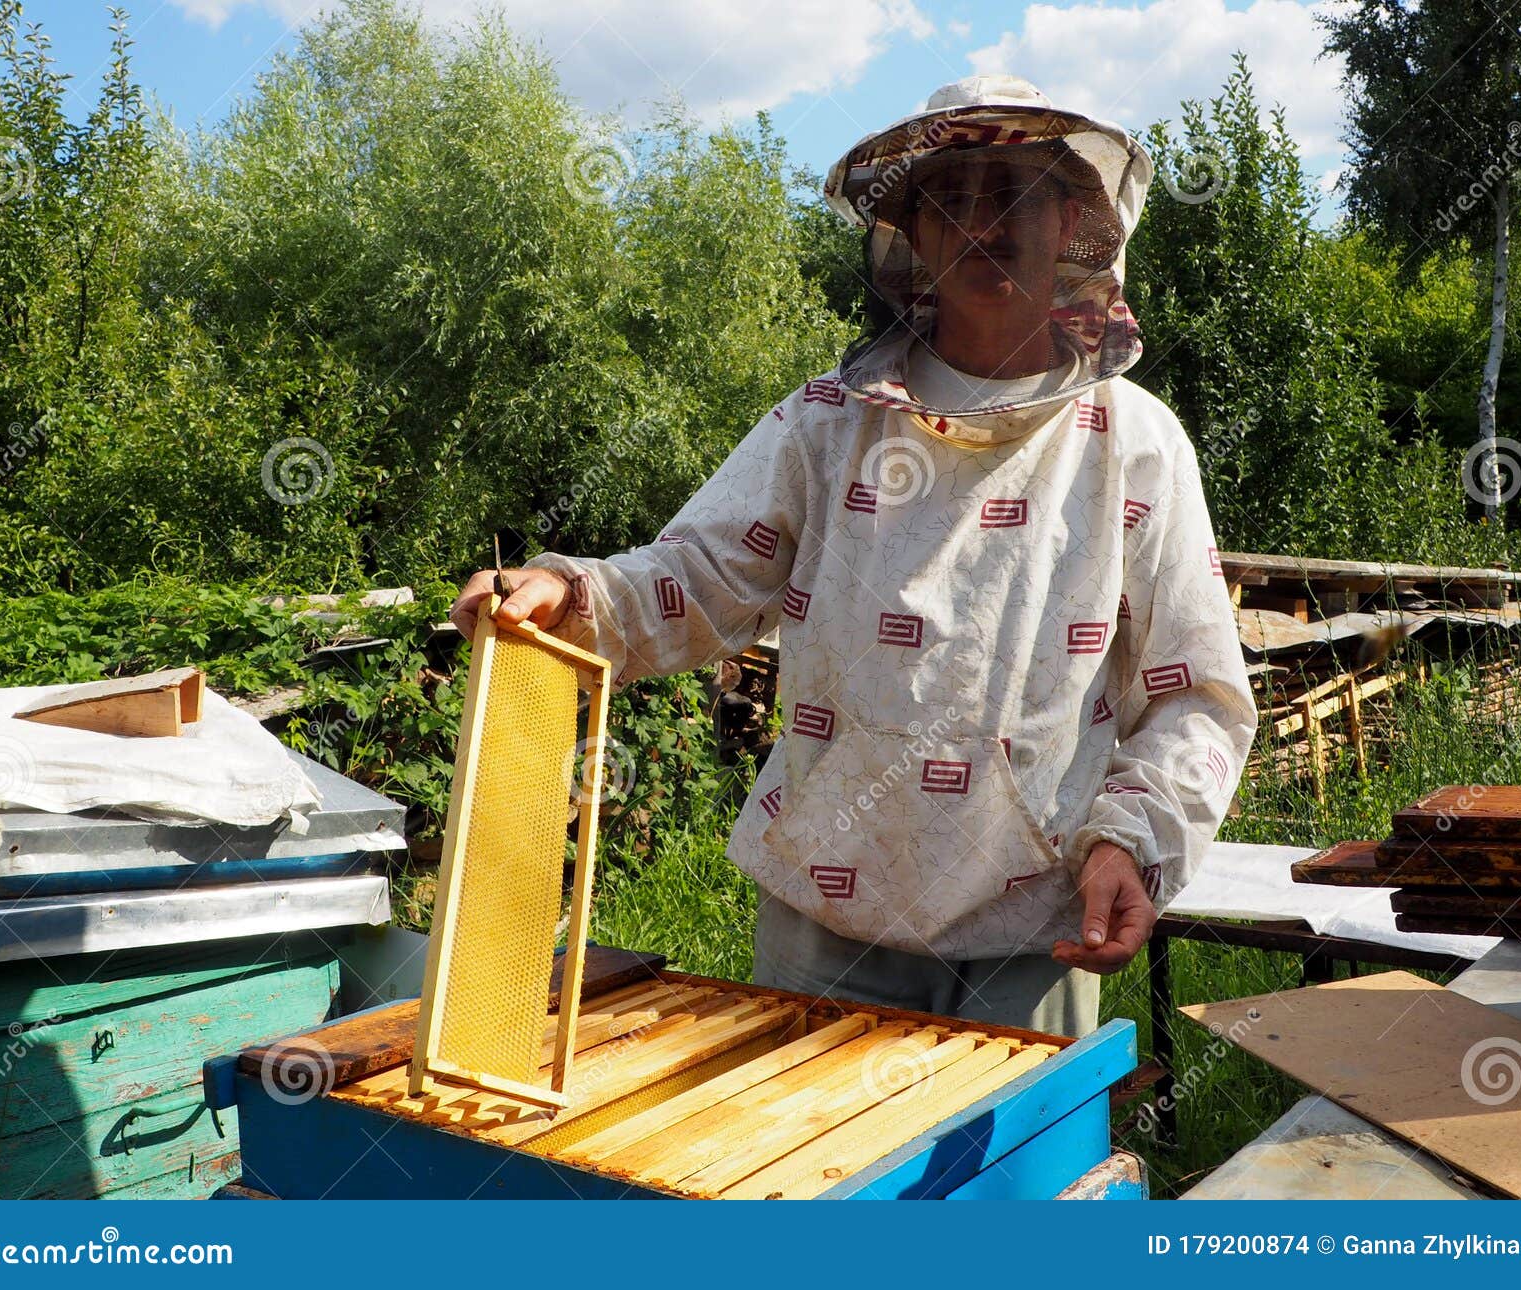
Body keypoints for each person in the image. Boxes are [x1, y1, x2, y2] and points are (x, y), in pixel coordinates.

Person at [452, 75, 1259, 1037]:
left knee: (1015, 1143)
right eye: (951, 198)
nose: (982, 224)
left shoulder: (1136, 442)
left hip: (1036, 929)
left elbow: (1195, 695)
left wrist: (1130, 842)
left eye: (1015, 194)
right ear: (909, 233)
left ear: (1071, 224)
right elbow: (697, 578)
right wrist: (572, 591)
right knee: (812, 1140)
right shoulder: (827, 424)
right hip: (824, 917)